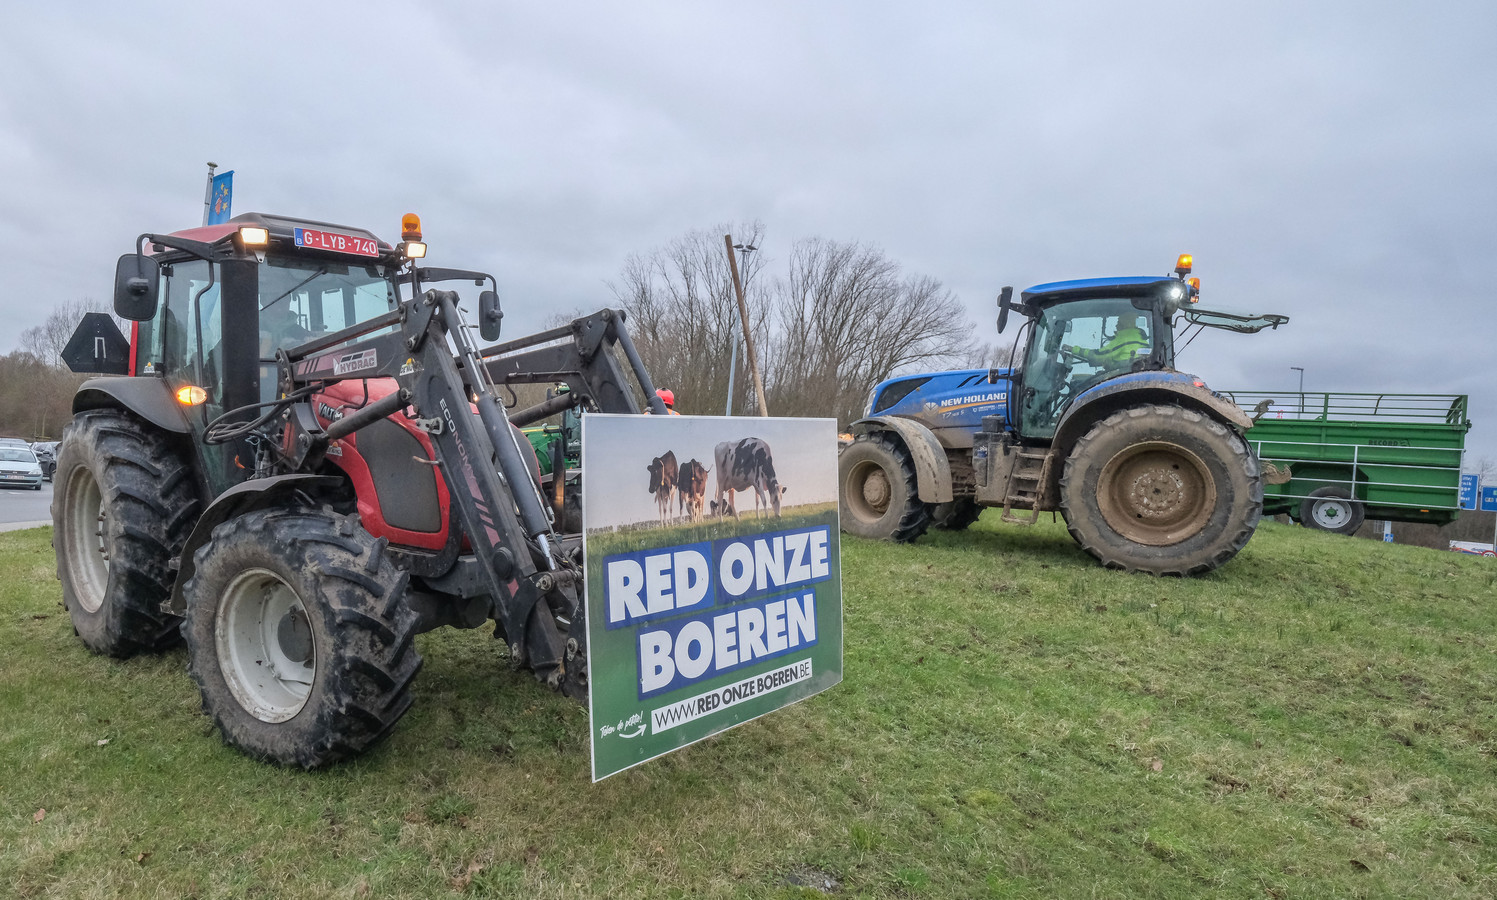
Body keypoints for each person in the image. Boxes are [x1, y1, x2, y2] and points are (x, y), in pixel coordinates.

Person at [1068, 315, 1150, 369]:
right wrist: (1109, 364)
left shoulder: (1125, 339)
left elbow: (1098, 355)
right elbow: (1123, 359)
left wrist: (1073, 349)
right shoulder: (1142, 340)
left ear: (1125, 324)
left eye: (1119, 323)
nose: (1116, 326)